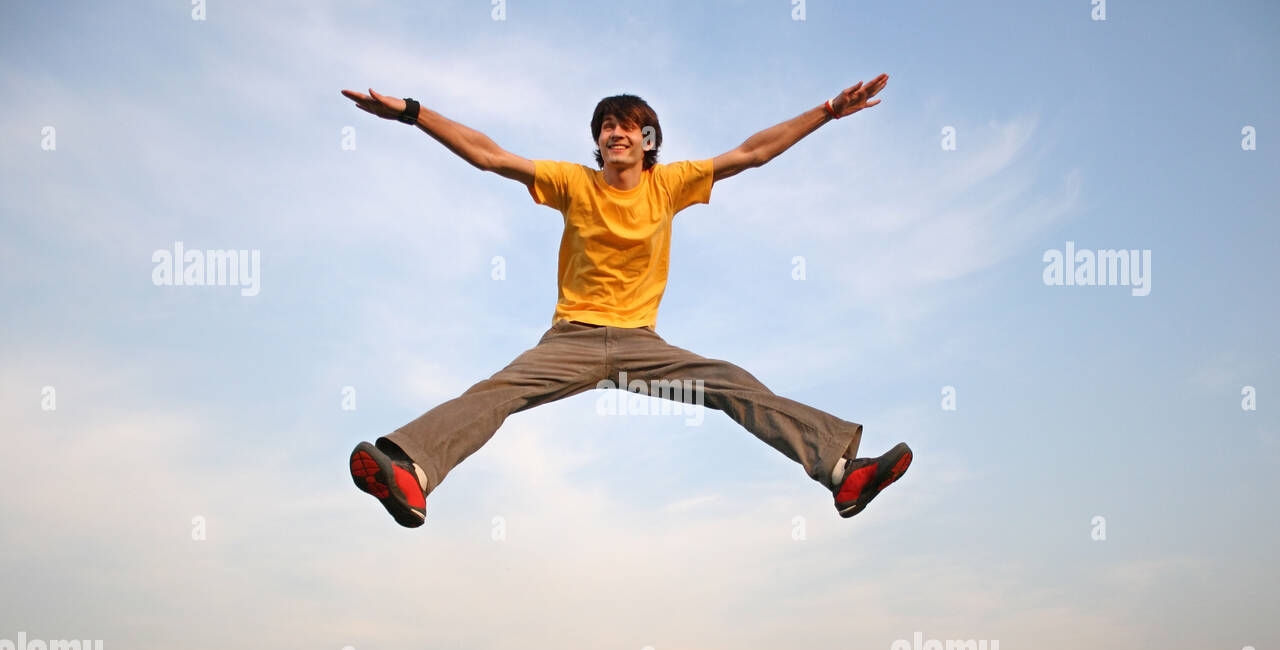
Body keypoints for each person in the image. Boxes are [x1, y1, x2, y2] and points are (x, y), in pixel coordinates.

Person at [341, 78, 911, 529]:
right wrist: (415, 113)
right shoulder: (572, 183)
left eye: (629, 126)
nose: (617, 133)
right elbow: (489, 156)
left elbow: (754, 152)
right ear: (597, 142)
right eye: (607, 126)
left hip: (643, 349)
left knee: (728, 382)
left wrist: (828, 111)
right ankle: (409, 470)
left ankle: (841, 471)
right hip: (572, 340)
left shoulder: (671, 184)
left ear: (648, 141)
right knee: (499, 392)